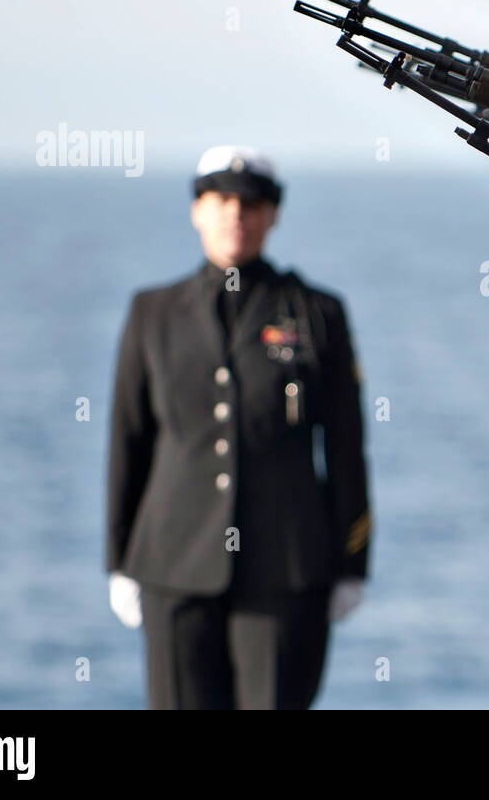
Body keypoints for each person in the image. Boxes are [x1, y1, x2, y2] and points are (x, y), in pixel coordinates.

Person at [105, 146, 372, 709]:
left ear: (272, 215)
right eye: (221, 200)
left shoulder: (317, 312)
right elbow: (128, 443)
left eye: (251, 203)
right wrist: (119, 561)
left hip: (286, 570)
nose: (236, 215)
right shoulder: (151, 312)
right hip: (171, 565)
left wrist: (352, 565)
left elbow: (346, 447)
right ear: (196, 209)